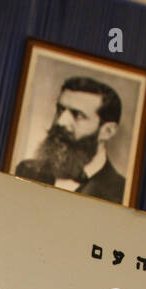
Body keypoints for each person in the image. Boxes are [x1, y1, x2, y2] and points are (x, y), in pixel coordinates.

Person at [15, 76, 126, 204]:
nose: (61, 122)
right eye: (60, 110)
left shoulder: (121, 194)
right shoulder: (26, 171)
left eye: (78, 115)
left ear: (108, 131)